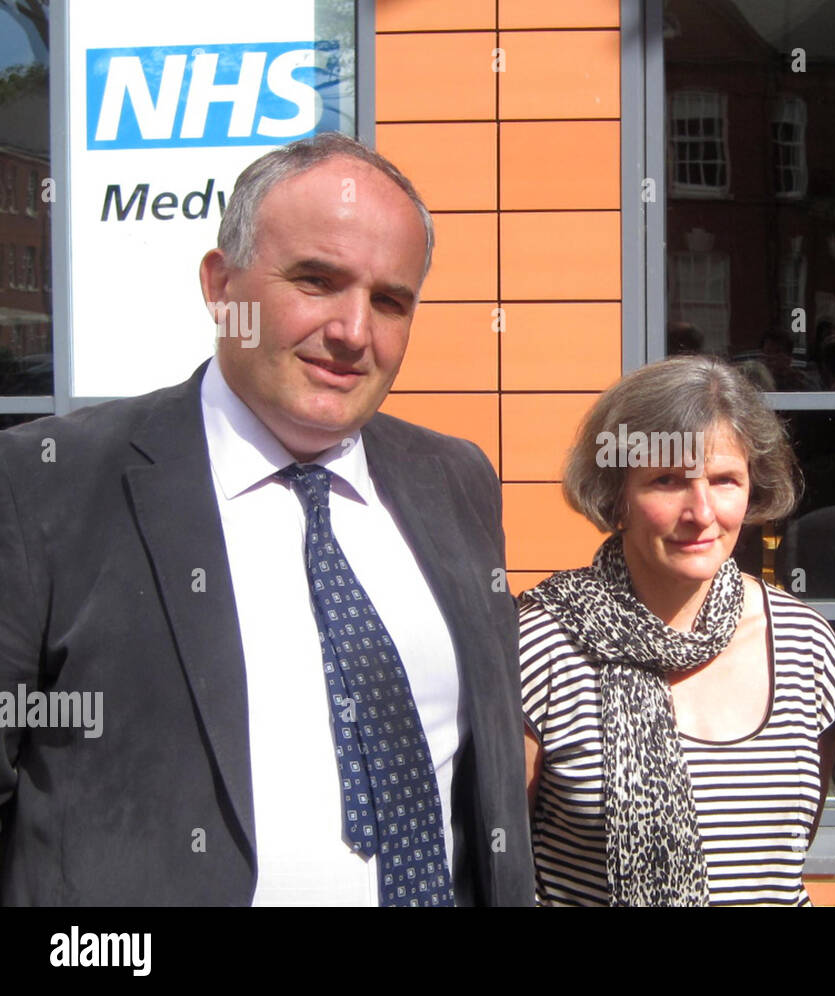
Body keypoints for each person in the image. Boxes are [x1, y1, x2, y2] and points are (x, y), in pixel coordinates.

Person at [0, 133, 533, 905]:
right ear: (221, 286)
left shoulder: (456, 480)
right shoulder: (46, 482)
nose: (353, 331)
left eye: (389, 300)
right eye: (316, 282)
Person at [518, 356, 835, 905]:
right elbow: (498, 860)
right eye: (667, 481)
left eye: (723, 480)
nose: (701, 512)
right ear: (617, 493)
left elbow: (785, 857)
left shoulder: (805, 644)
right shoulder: (543, 642)